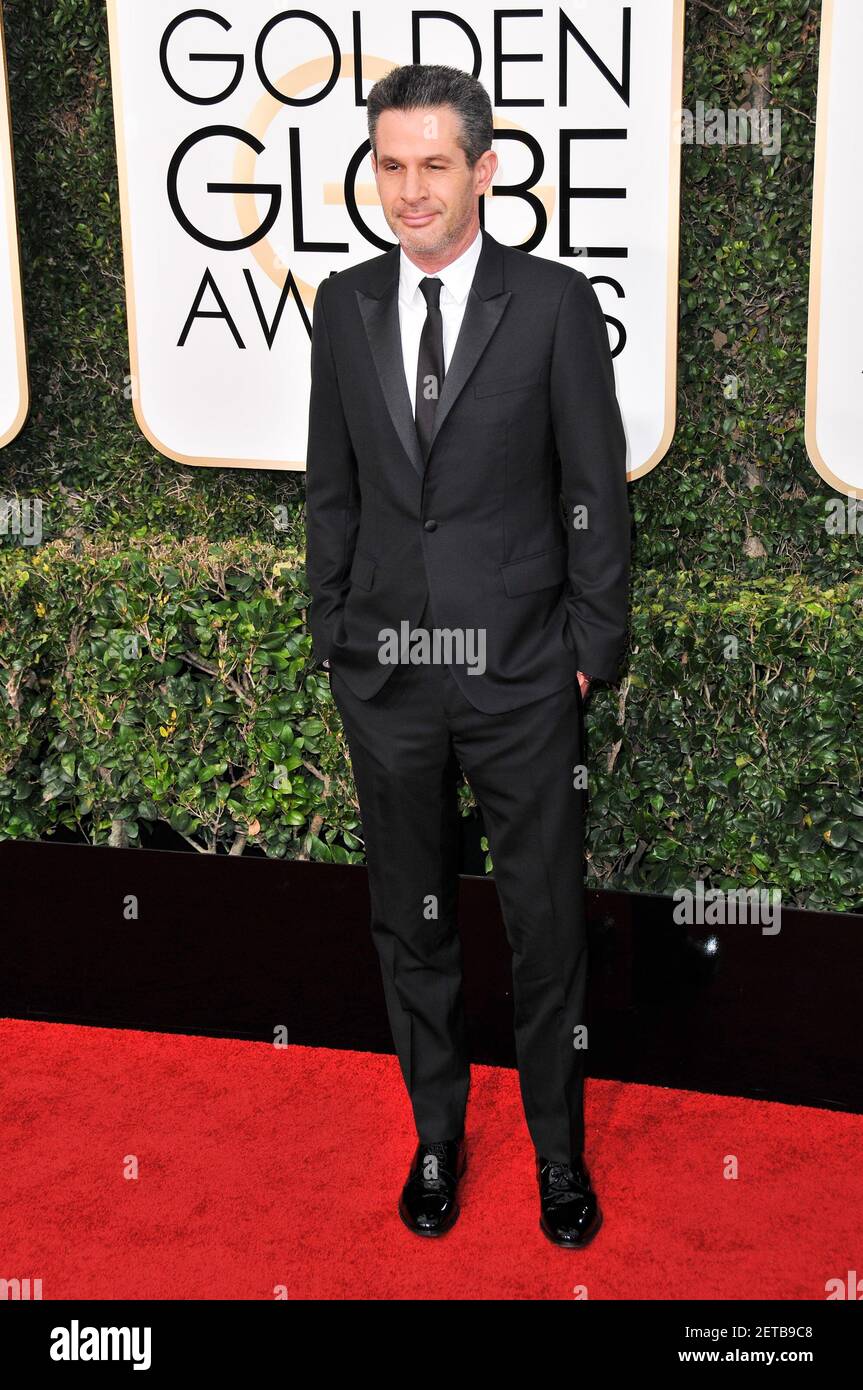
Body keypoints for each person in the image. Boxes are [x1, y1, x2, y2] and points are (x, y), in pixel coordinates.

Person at [305, 63, 630, 1247]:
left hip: (522, 678)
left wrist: (587, 651)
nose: (408, 191)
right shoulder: (341, 308)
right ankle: (436, 1137)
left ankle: (556, 1155)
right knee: (412, 921)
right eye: (389, 165)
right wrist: (334, 630)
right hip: (386, 680)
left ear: (483, 170)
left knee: (543, 922)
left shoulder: (549, 303)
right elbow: (330, 492)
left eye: (433, 164)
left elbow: (593, 489)